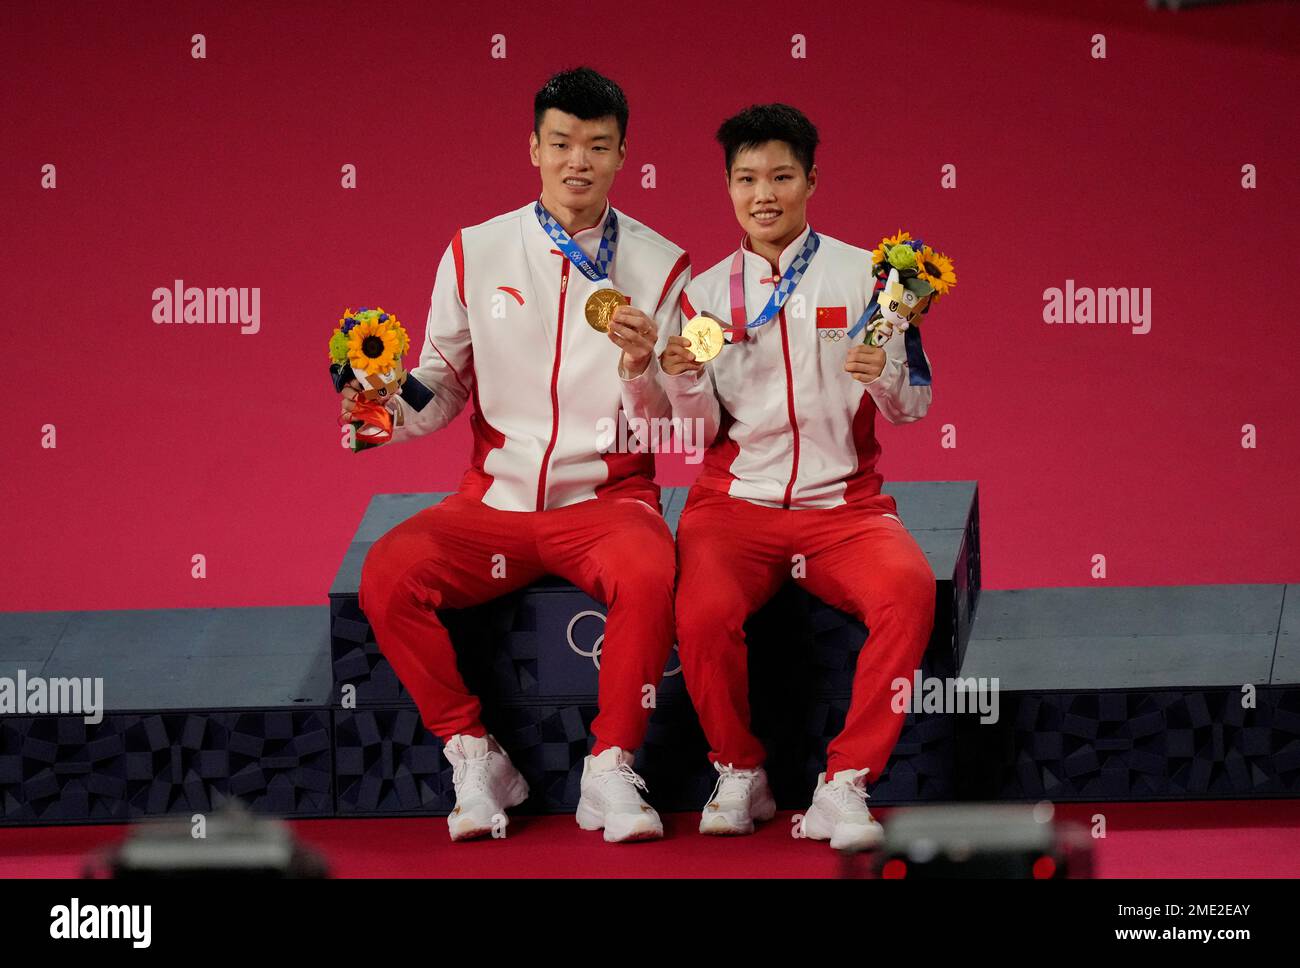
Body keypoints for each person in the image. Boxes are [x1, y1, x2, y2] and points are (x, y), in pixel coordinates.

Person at [348, 67, 690, 843]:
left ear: (621, 156)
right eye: (562, 142)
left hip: (607, 502)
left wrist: (642, 370)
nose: (579, 161)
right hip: (493, 505)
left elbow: (673, 424)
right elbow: (441, 385)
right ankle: (474, 753)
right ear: (533, 148)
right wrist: (374, 415)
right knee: (388, 574)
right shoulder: (476, 251)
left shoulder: (664, 266)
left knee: (650, 571)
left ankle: (609, 769)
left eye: (597, 146)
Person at [659, 104, 937, 850]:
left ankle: (843, 785)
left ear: (812, 180)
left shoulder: (873, 276)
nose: (764, 194)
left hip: (845, 507)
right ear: (727, 188)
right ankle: (738, 770)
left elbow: (914, 406)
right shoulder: (706, 296)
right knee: (699, 614)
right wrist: (682, 381)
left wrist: (883, 376)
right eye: (746, 179)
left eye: (781, 175)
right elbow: (698, 431)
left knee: (909, 591)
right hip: (733, 506)